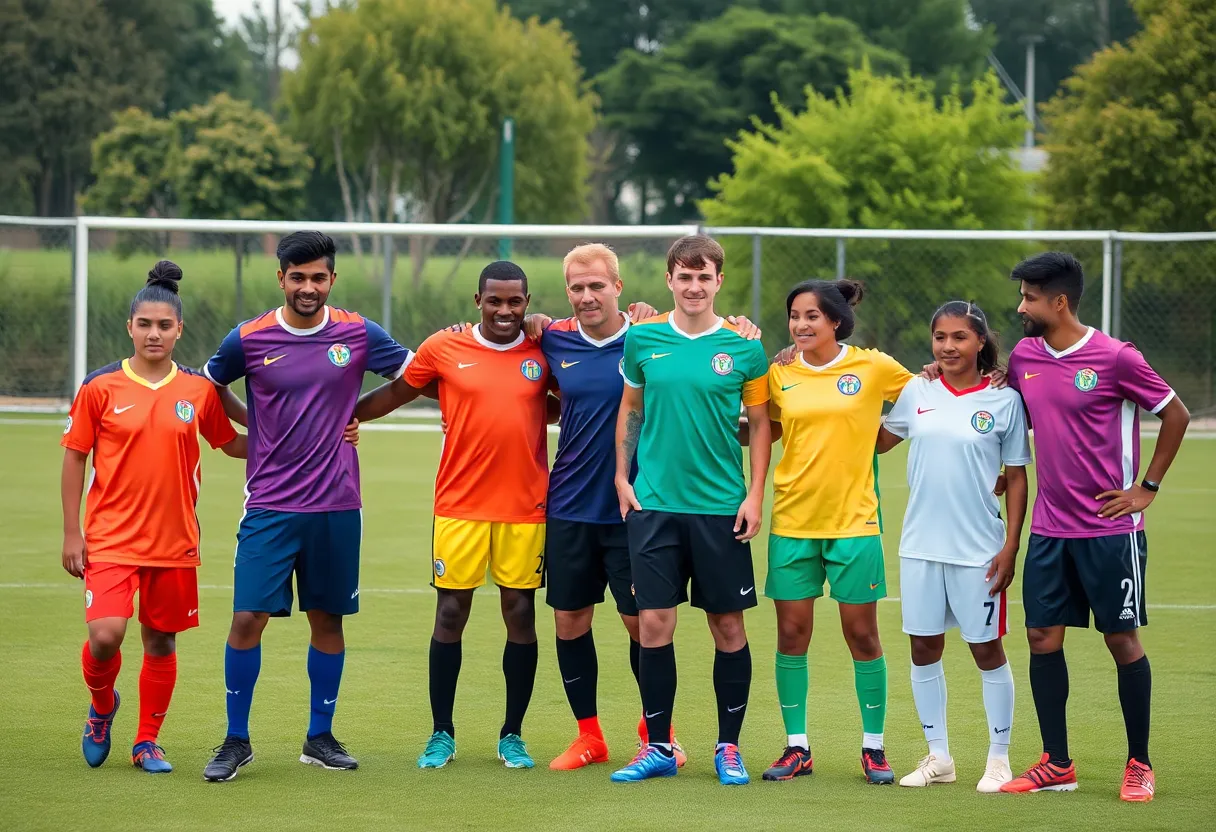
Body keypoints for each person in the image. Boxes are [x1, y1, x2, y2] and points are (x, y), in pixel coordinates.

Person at [201, 231, 417, 782]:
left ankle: (319, 737)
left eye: (318, 277)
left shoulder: (358, 332)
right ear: (281, 279)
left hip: (337, 504)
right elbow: (208, 386)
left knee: (327, 618)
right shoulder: (247, 338)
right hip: (270, 504)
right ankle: (236, 739)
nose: (308, 287)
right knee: (247, 617)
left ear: (331, 280)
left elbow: (415, 377)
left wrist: (360, 413)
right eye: (297, 277)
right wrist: (256, 423)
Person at [999, 253, 1189, 802]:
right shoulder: (1025, 356)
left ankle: (1139, 763)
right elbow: (1015, 415)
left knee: (1121, 640)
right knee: (1041, 637)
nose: (1021, 307)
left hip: (1111, 532)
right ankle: (1056, 762)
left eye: (1030, 298)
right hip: (1050, 528)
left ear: (1059, 302)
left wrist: (1146, 488)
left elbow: (1174, 413)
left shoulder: (1115, 357)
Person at [356, 260, 551, 771]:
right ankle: (441, 732)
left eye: (515, 302)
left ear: (527, 303)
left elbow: (563, 401)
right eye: (495, 300)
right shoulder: (444, 348)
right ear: (477, 301)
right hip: (460, 506)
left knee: (521, 614)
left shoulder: (543, 348)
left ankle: (513, 734)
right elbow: (398, 391)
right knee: (450, 613)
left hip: (526, 508)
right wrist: (343, 416)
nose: (505, 310)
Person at [62, 262, 245, 774]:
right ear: (130, 327)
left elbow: (230, 444)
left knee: (160, 640)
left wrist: (303, 442)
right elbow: (76, 455)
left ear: (179, 330)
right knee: (105, 636)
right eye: (145, 324)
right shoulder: (100, 387)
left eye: (165, 325)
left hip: (174, 541)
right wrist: (72, 531)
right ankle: (102, 708)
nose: (154, 333)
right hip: (110, 538)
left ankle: (146, 742)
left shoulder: (196, 390)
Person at [610, 235, 771, 786]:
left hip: (721, 507)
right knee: (654, 623)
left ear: (719, 282)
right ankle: (658, 747)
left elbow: (762, 425)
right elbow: (631, 408)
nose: (694, 286)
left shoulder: (744, 347)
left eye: (704, 277)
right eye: (685, 276)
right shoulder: (643, 339)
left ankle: (728, 747)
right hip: (654, 504)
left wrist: (754, 495)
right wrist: (620, 477)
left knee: (728, 626)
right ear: (670, 280)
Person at [755, 279, 912, 785]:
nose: (801, 325)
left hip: (854, 523)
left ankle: (874, 748)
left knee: (862, 634)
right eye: (794, 316)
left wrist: (880, 440)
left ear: (836, 322)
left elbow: (927, 398)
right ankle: (797, 746)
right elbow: (768, 428)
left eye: (812, 317)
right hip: (793, 522)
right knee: (791, 634)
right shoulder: (778, 373)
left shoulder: (873, 366)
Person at [875, 301, 1030, 792]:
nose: (947, 347)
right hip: (919, 544)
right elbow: (877, 440)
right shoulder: (916, 390)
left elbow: (1018, 477)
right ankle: (939, 758)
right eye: (940, 337)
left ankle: (999, 757)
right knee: (923, 648)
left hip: (979, 549)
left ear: (980, 341)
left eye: (960, 337)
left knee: (987, 650)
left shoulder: (1005, 398)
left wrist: (1010, 546)